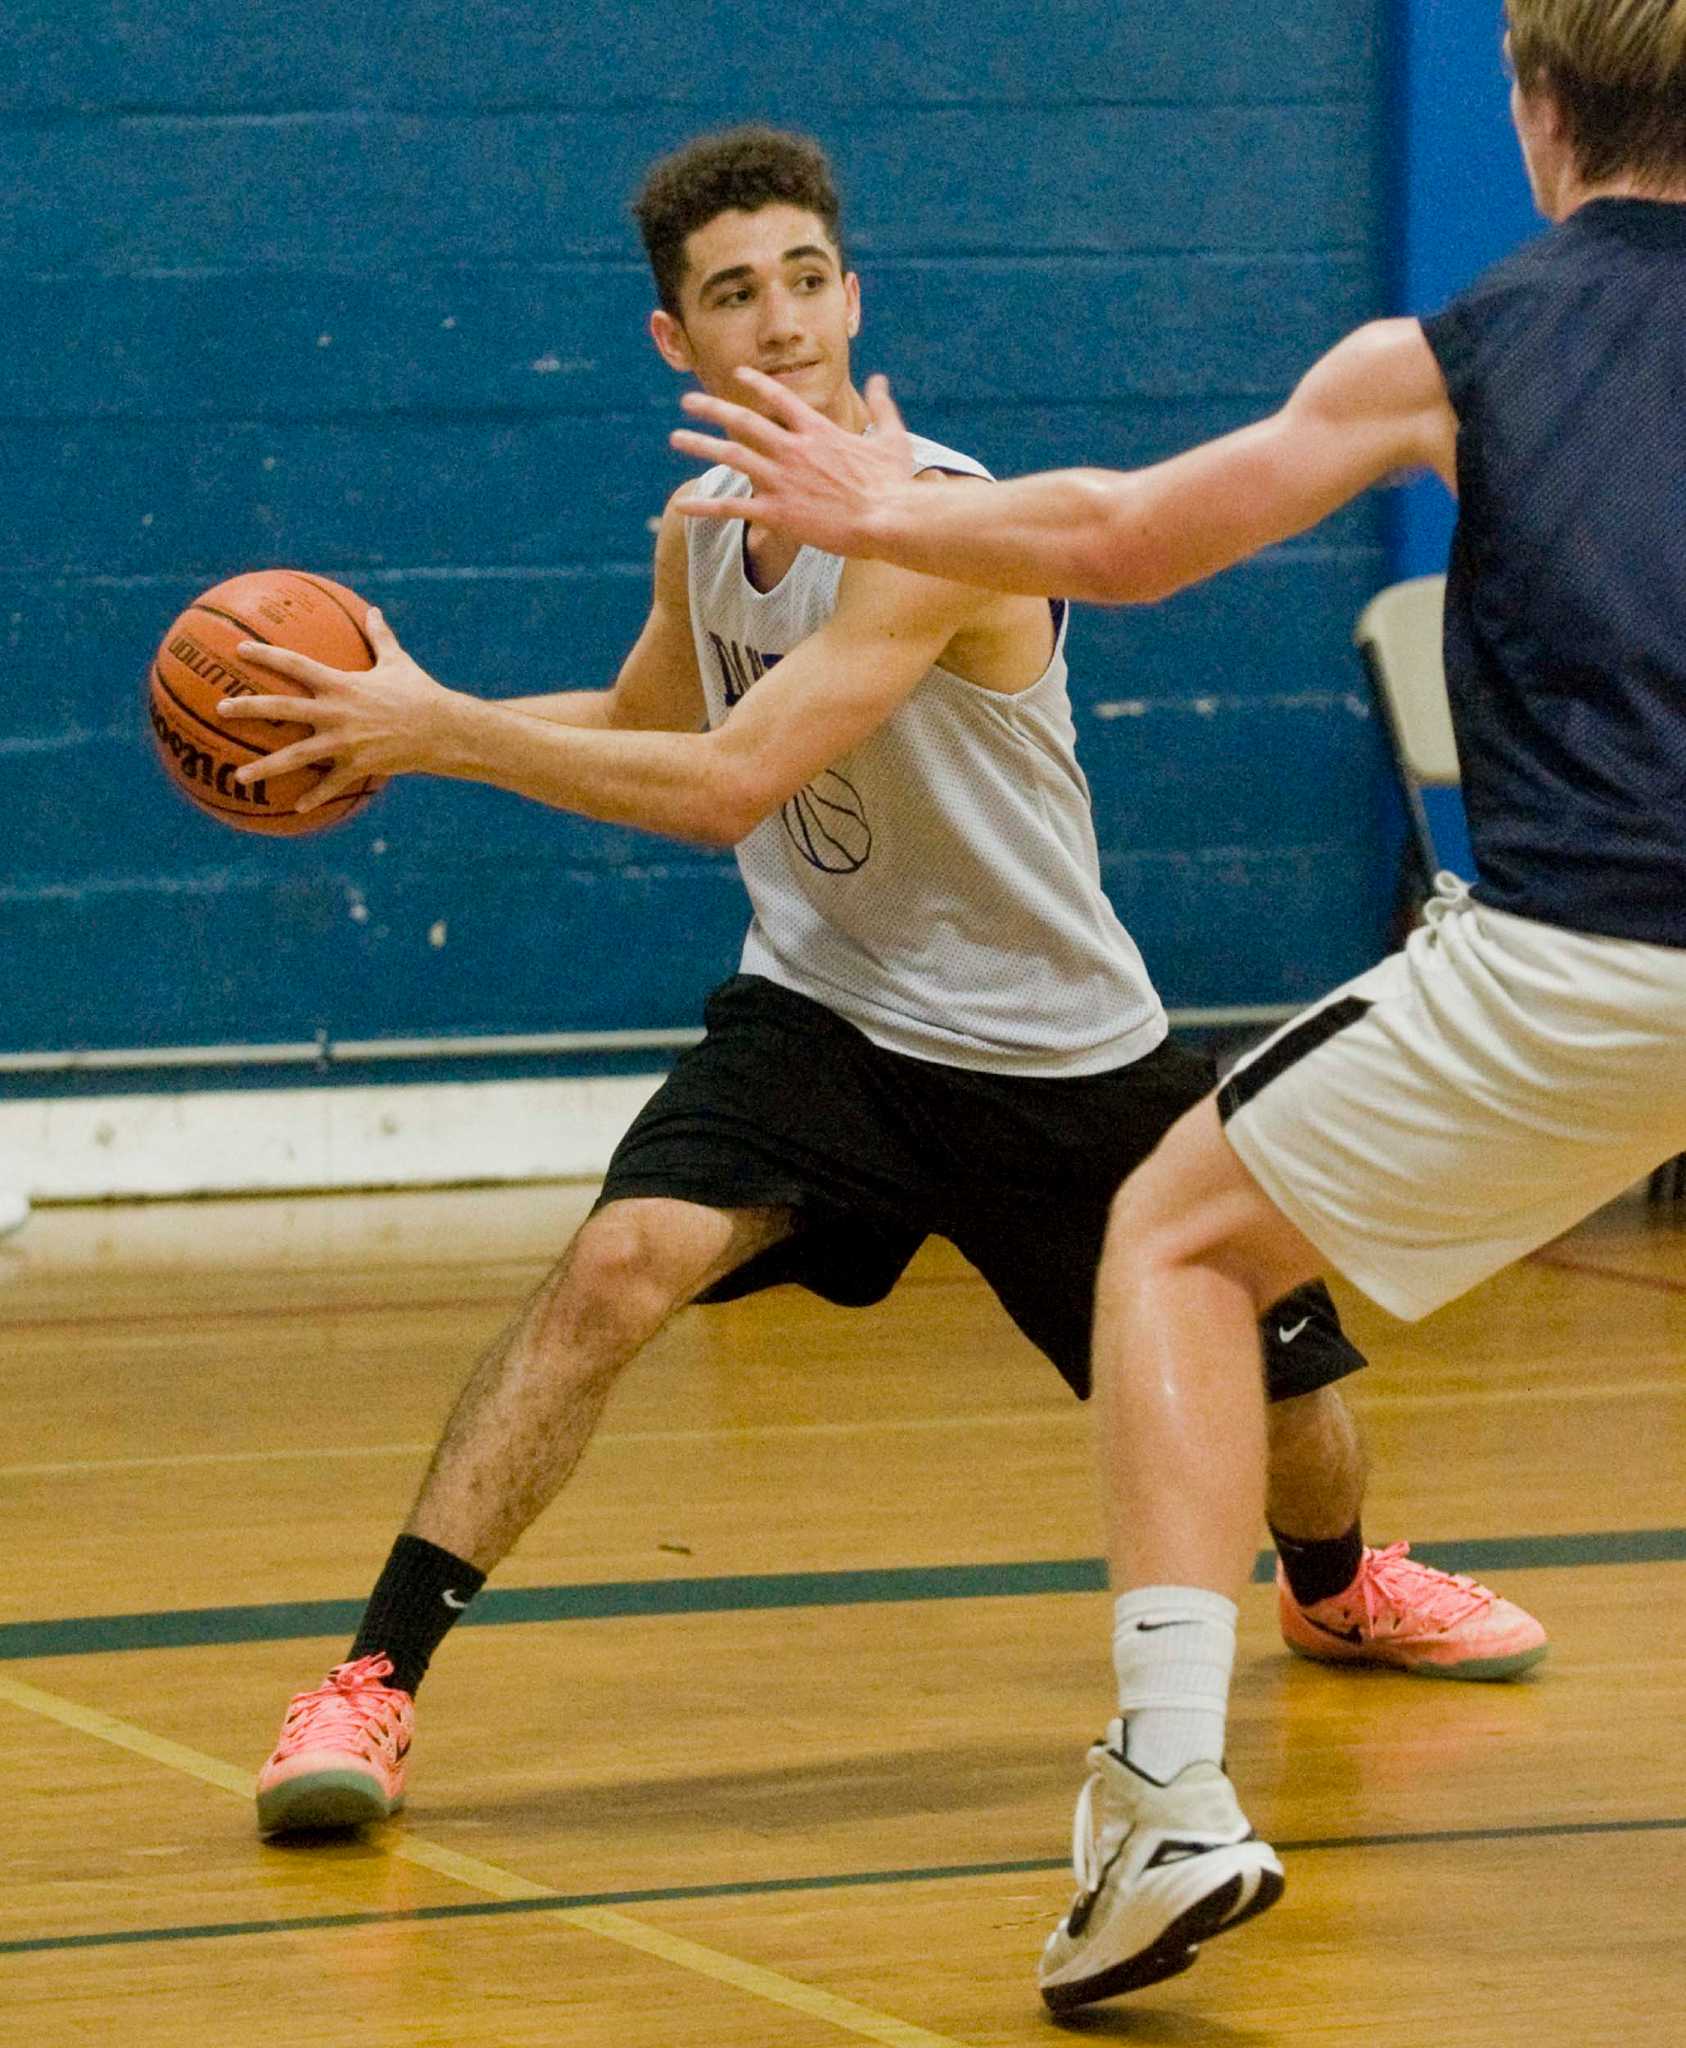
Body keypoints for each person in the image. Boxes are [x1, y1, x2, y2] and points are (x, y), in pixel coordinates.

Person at [228, 127, 1542, 1847]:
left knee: (1296, 1417)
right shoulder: (702, 528)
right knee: (614, 1271)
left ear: (851, 298)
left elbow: (727, 787)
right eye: (728, 294)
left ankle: (1332, 1582)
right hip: (827, 1018)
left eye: (799, 280)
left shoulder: (932, 522)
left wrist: (442, 735)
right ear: (671, 343)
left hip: (1057, 1052)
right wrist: (402, 727)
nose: (774, 321)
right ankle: (372, 1684)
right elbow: (651, 724)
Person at [669, 3, 1686, 2012]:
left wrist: (885, 510)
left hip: (1594, 952)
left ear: (1534, 104)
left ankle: (1165, 1795)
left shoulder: (1453, 348)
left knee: (1174, 1229)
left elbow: (1129, 537)